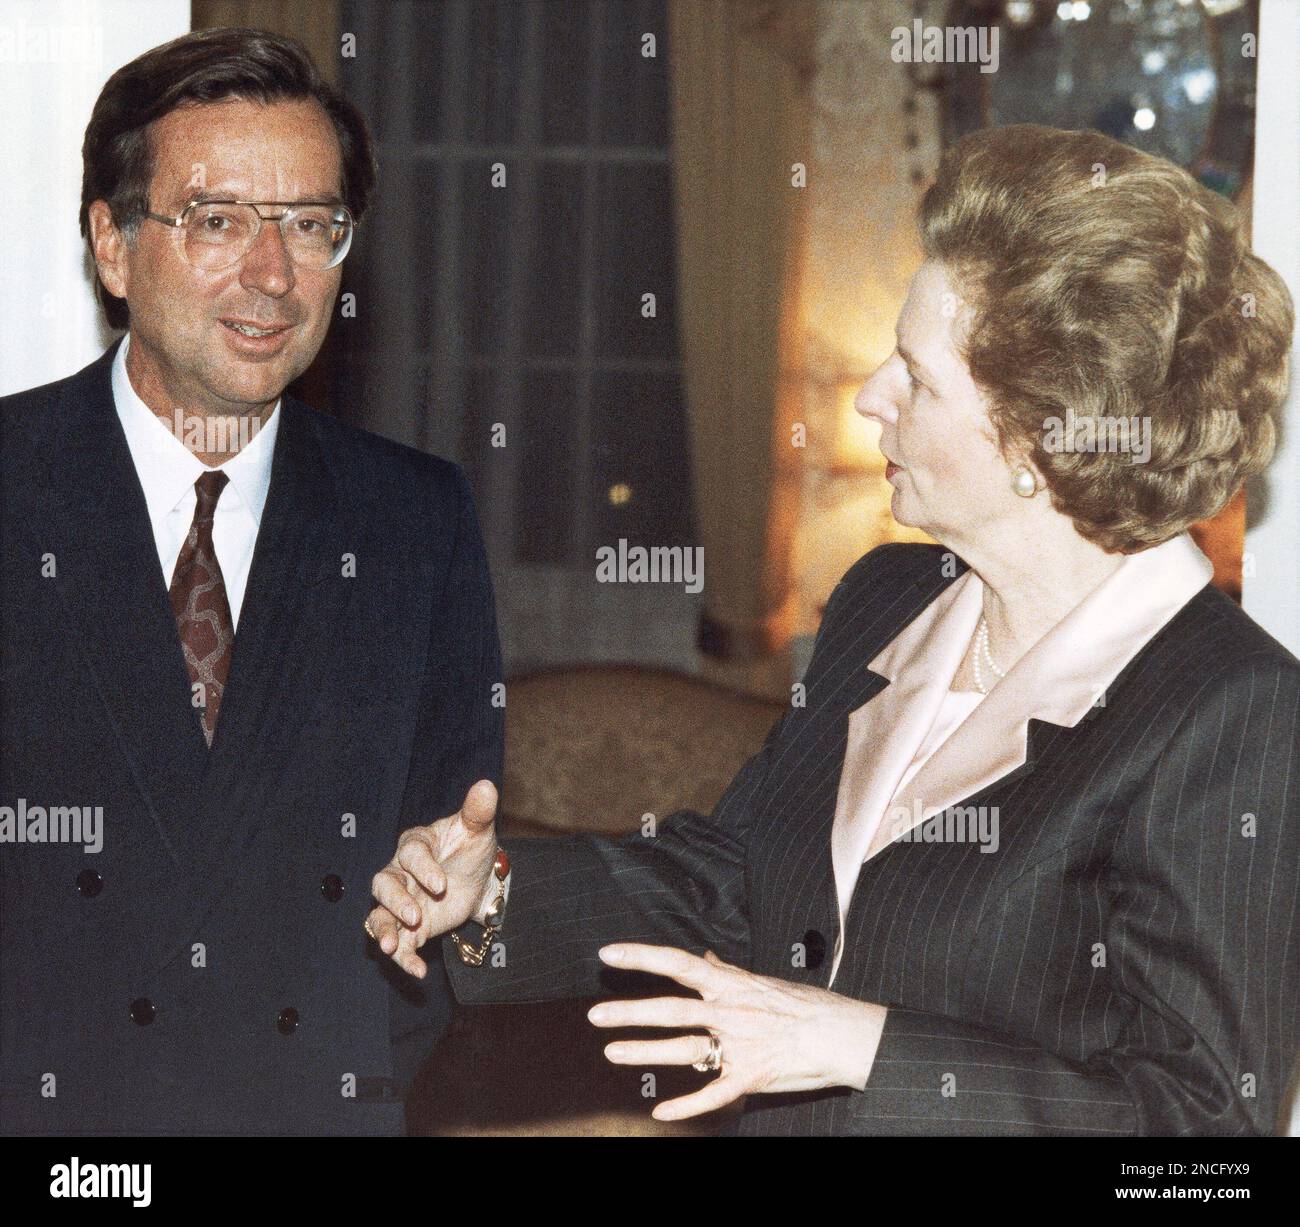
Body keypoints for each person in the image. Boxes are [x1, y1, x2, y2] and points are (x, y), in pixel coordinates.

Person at [367, 123, 1300, 1136]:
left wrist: (854, 1046)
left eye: (917, 375)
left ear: (1041, 441)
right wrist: (491, 896)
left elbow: (1203, 1137)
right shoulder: (890, 600)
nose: (869, 396)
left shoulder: (1230, 710)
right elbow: (733, 880)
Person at [0, 28, 501, 1135]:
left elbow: (444, 893)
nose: (272, 275)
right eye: (218, 220)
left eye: (313, 226)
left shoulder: (416, 522)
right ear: (114, 246)